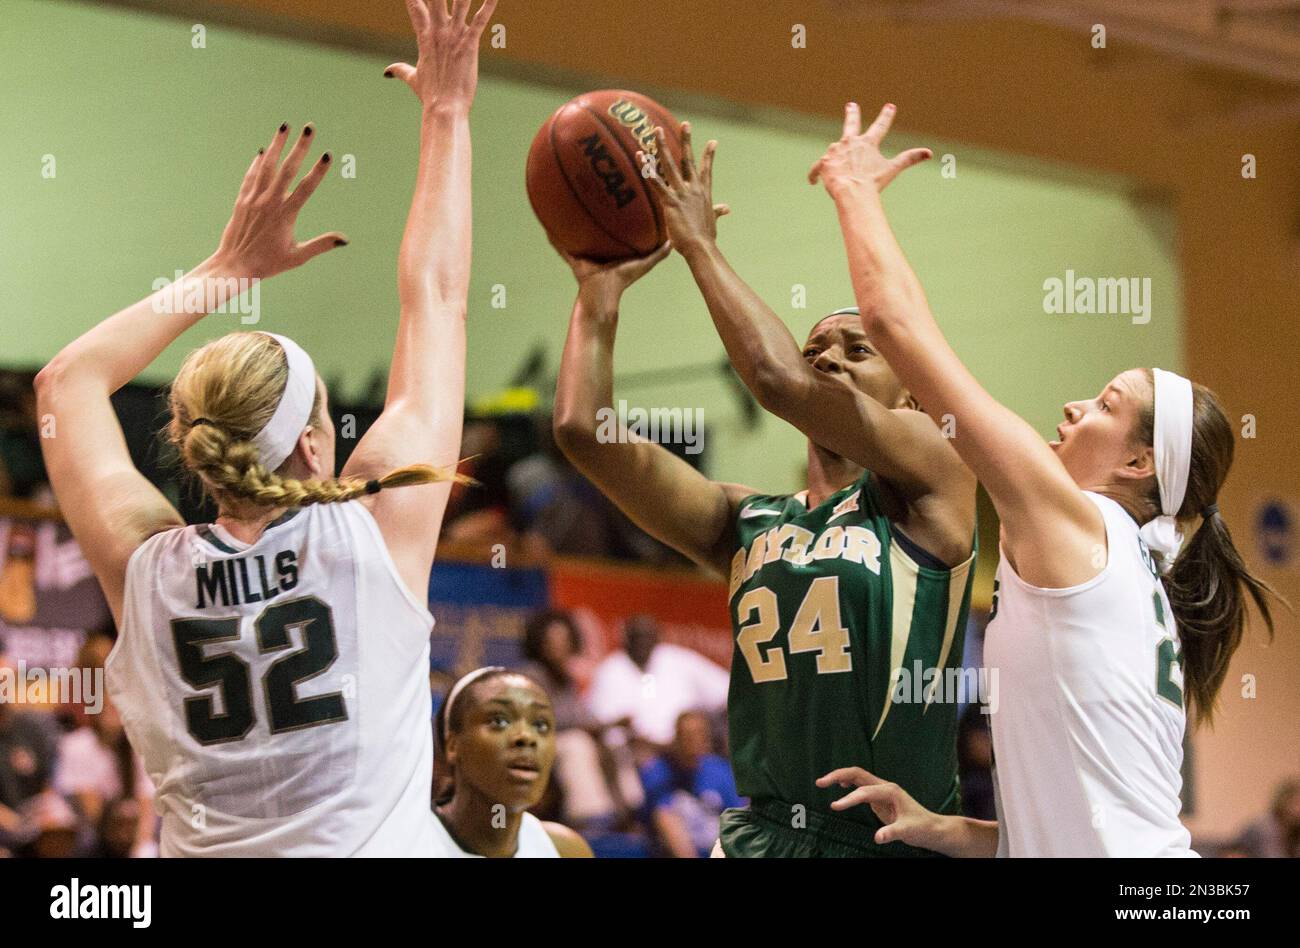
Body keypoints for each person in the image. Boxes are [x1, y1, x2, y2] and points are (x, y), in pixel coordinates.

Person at [34, 0, 497, 855]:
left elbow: (68, 380)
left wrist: (224, 269)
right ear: (315, 444)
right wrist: (447, 113)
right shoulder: (375, 532)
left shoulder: (144, 569)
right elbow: (438, 296)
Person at [810, 102, 1283, 857]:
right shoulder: (1129, 570)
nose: (1074, 404)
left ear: (1137, 463)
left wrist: (853, 190)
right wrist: (943, 828)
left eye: (1105, 404)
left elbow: (896, 328)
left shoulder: (1079, 523)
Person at [552, 119, 978, 858]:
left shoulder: (932, 474)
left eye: (856, 350)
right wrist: (598, 297)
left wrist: (699, 247)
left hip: (891, 840)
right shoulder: (744, 520)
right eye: (816, 349)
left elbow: (778, 380)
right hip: (759, 836)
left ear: (909, 398)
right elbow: (585, 434)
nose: (827, 360)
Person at [432, 666, 592, 858]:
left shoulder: (565, 850)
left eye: (540, 725)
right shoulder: (405, 839)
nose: (527, 737)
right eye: (499, 721)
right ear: (453, 745)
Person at [585, 615, 729, 749]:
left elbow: (725, 692)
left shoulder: (678, 659)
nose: (642, 642)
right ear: (626, 638)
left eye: (647, 636)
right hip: (635, 754)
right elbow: (601, 723)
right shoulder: (611, 669)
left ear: (657, 637)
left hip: (685, 754)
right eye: (637, 637)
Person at [640, 710, 743, 858]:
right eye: (687, 735)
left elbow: (736, 816)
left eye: (700, 734)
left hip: (717, 847)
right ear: (677, 737)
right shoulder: (658, 771)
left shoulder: (719, 770)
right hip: (674, 849)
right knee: (666, 817)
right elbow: (661, 815)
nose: (694, 740)